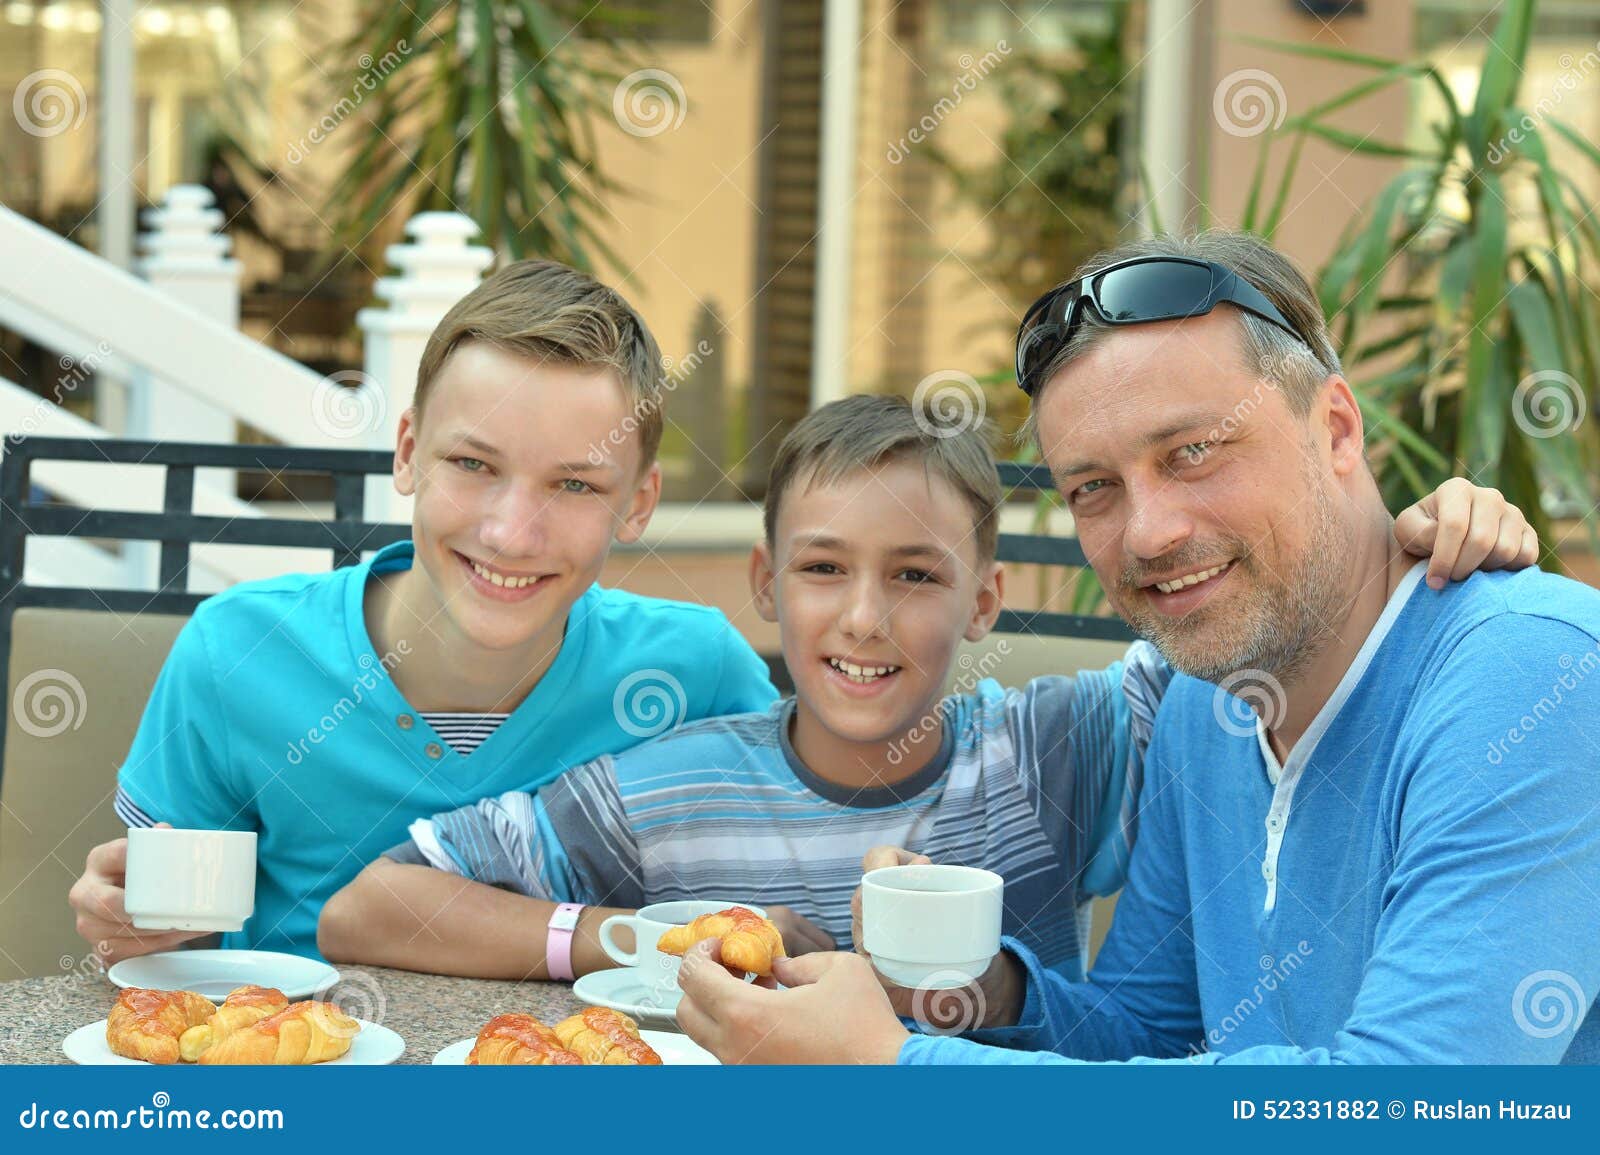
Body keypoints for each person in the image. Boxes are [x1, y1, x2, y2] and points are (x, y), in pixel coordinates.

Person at [673, 230, 1600, 1066]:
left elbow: (1408, 1112)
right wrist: (974, 990)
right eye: (1092, 487)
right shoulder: (1213, 697)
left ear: (1337, 428)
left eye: (1193, 450)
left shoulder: (1535, 672)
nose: (1148, 532)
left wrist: (891, 1069)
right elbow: (1149, 1035)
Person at [319, 390, 1532, 984]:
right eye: (822, 570)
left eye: (914, 576)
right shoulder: (665, 786)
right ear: (764, 586)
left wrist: (1423, 532)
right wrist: (650, 934)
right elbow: (366, 909)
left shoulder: (1060, 747)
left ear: (985, 602)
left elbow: (1263, 626)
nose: (861, 618)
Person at [67, 260, 777, 964]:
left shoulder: (699, 678)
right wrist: (130, 923)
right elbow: (171, 958)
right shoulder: (238, 652)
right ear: (408, 452)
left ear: (640, 503)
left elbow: (794, 886)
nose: (510, 532)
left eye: (572, 483)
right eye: (473, 464)